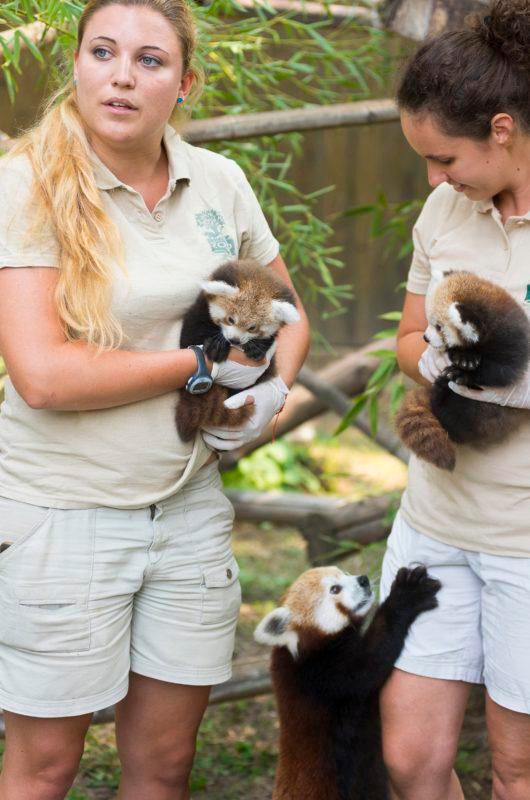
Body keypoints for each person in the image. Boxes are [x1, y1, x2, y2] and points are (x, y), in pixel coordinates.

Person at [0, 2, 310, 799]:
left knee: (165, 768)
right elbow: (44, 375)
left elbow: (288, 309)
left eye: (150, 60)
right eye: (102, 52)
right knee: (45, 767)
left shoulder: (220, 182)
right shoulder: (26, 183)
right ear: (76, 64)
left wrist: (268, 396)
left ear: (185, 85)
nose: (122, 75)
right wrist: (200, 365)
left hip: (188, 511)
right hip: (65, 512)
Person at [377, 2, 530, 799]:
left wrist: (515, 373)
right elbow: (406, 341)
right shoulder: (446, 211)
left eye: (444, 158)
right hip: (435, 521)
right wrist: (442, 360)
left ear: (501, 129)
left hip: (525, 536)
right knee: (407, 759)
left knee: (518, 769)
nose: (434, 181)